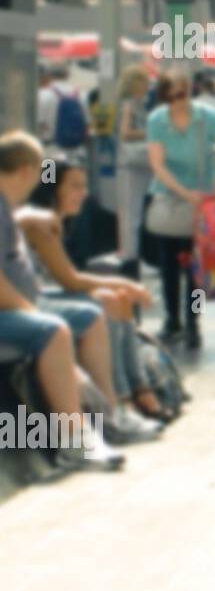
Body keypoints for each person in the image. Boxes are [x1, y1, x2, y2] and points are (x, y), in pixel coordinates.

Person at [0, 132, 125, 470]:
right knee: (54, 331)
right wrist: (33, 313)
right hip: (10, 310)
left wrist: (26, 215)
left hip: (20, 305)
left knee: (89, 315)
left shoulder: (8, 207)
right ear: (27, 170)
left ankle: (109, 418)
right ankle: (75, 440)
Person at [19, 157, 173, 425]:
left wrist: (122, 288)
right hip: (32, 301)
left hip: (42, 294)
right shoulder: (41, 224)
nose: (84, 193)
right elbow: (71, 280)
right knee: (110, 300)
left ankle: (140, 388)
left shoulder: (57, 220)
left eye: (84, 186)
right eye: (75, 186)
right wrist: (125, 283)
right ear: (53, 188)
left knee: (119, 301)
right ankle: (121, 399)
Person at [145, 70, 215, 350]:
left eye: (184, 93)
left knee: (197, 270)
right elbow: (158, 165)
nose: (180, 101)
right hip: (171, 198)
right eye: (173, 95)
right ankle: (171, 319)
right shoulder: (157, 121)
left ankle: (193, 322)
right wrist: (186, 194)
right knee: (168, 266)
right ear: (165, 96)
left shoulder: (207, 117)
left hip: (204, 200)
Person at [116, 64, 152, 263]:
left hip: (136, 163)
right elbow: (125, 133)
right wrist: (151, 132)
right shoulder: (130, 104)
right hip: (132, 162)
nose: (147, 85)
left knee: (133, 212)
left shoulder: (137, 103)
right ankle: (130, 256)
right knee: (132, 213)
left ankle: (133, 255)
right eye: (144, 81)